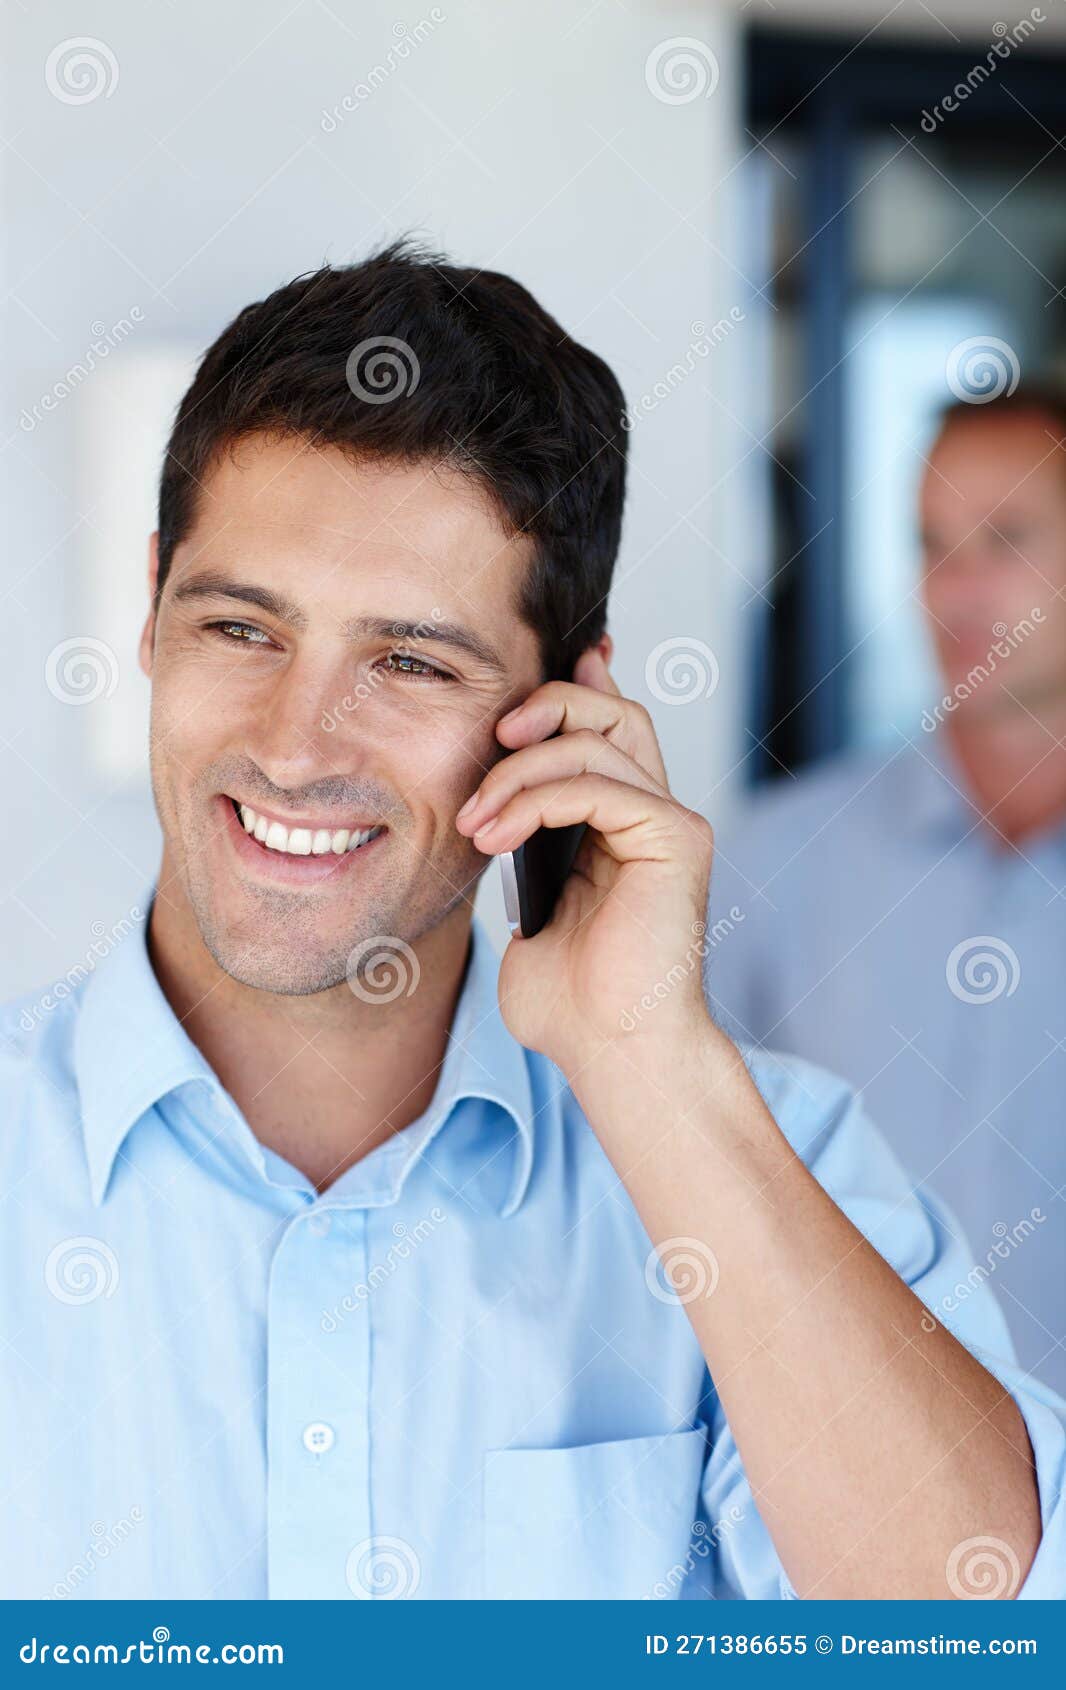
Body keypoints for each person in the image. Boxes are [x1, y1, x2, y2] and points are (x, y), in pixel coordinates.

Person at [2, 249, 1063, 1602]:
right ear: (150, 612)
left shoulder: (764, 1161)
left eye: (407, 661)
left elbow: (981, 1631)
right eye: (242, 629)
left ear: (564, 705)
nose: (291, 744)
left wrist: (645, 1067)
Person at [709, 385, 1066, 1399]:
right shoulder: (776, 863)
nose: (955, 589)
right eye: (930, 544)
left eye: (1005, 539)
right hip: (836, 1511)